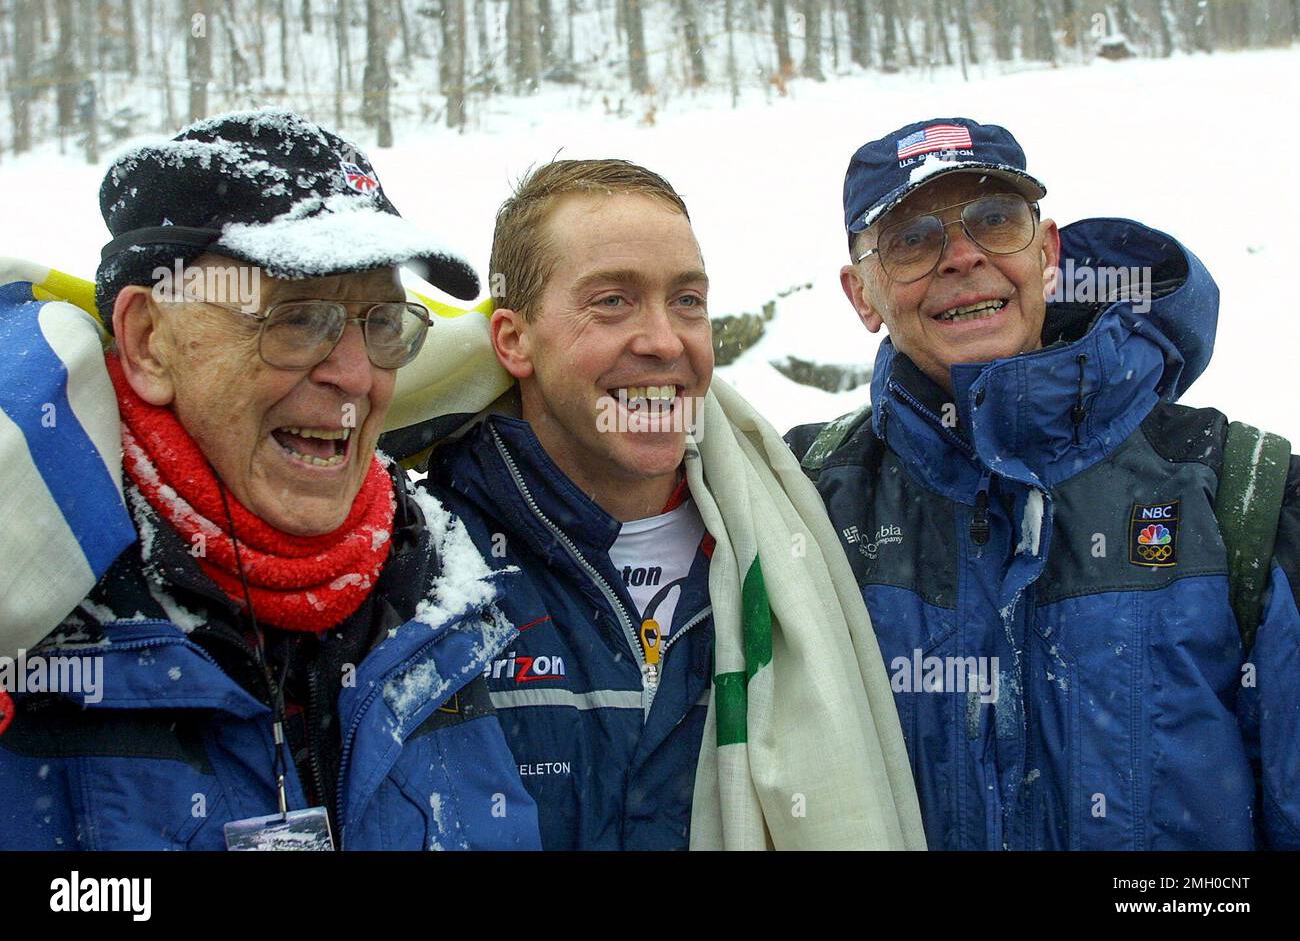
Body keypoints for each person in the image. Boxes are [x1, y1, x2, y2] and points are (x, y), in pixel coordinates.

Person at [0, 110, 540, 851]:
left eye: (381, 323)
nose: (355, 377)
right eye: (297, 319)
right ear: (150, 341)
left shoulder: (449, 596)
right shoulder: (31, 617)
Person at [786, 116, 1300, 850]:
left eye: (995, 219)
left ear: (1049, 253)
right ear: (861, 294)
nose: (962, 256)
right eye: (912, 238)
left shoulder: (1237, 493)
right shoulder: (806, 505)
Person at [415, 159, 925, 849]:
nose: (663, 340)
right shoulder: (424, 577)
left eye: (686, 300)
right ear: (514, 339)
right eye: (612, 301)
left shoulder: (806, 529)